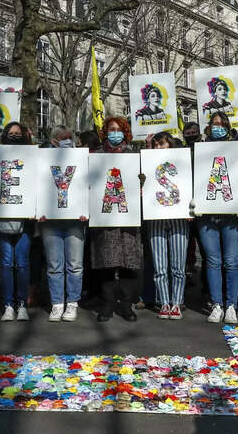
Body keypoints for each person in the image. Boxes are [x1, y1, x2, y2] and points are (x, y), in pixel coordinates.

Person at [90, 116, 143, 322]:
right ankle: (107, 304)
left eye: (118, 129)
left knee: (129, 263)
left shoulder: (134, 156)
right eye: (110, 129)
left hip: (128, 217)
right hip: (105, 217)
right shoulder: (96, 156)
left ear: (125, 132)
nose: (114, 133)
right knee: (107, 263)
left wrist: (140, 186)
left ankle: (127, 305)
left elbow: (143, 180)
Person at [195, 112, 238, 324]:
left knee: (231, 261)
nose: (218, 127)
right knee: (213, 261)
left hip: (232, 214)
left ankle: (231, 304)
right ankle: (217, 304)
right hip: (206, 214)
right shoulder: (199, 148)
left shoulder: (237, 149)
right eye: (214, 124)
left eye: (222, 124)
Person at [40, 126, 87, 322]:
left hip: (75, 221)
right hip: (50, 221)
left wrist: (86, 211)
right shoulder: (44, 159)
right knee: (54, 265)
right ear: (54, 141)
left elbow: (89, 184)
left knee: (75, 265)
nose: (67, 140)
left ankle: (72, 303)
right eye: (62, 138)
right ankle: (57, 304)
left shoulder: (81, 159)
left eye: (69, 137)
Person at [145, 131, 190, 320]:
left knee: (178, 265)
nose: (159, 148)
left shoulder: (183, 162)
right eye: (156, 145)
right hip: (155, 218)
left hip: (179, 218)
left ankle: (177, 302)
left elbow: (189, 184)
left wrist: (190, 208)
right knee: (160, 265)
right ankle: (164, 302)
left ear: (170, 145)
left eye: (162, 144)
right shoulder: (147, 163)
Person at [0, 121, 35, 321]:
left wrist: (36, 207)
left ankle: (22, 303)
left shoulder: (32, 158)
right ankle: (8, 305)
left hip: (25, 221)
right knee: (6, 263)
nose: (14, 136)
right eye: (11, 133)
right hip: (2, 218)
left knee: (22, 263)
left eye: (18, 133)